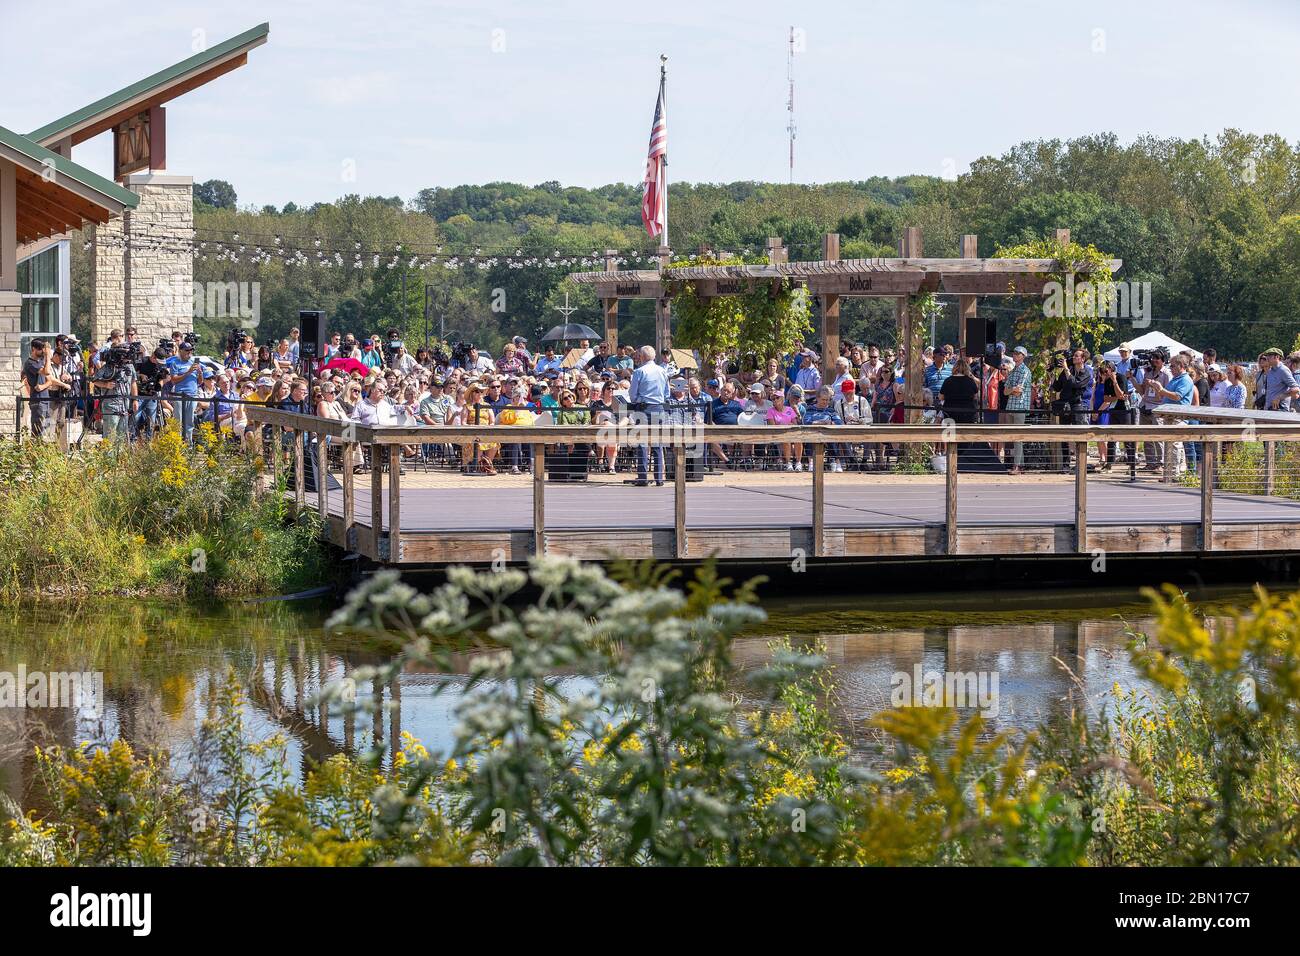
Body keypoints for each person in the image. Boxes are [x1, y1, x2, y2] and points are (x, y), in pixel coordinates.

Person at [628, 344, 668, 486]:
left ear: (642, 357)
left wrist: (638, 399)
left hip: (643, 409)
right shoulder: (662, 371)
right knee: (657, 444)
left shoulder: (639, 372)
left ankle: (643, 477)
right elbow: (667, 393)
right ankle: (659, 478)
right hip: (659, 408)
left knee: (643, 444)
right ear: (654, 356)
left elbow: (632, 395)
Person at [165, 340, 205, 442]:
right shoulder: (175, 363)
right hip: (180, 395)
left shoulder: (194, 362)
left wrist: (200, 373)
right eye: (187, 350)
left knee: (189, 420)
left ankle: (188, 443)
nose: (189, 352)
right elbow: (174, 380)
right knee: (178, 420)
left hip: (192, 394)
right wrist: (188, 372)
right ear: (181, 351)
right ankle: (177, 442)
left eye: (191, 350)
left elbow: (200, 382)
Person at [765, 388, 801, 470]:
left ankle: (798, 463)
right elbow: (772, 427)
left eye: (777, 398)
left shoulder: (789, 409)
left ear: (783, 399)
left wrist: (787, 425)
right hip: (778, 435)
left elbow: (795, 424)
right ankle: (788, 463)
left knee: (799, 439)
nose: (775, 400)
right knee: (786, 439)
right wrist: (785, 425)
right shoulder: (770, 411)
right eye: (773, 399)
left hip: (791, 433)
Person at [939, 359, 979, 424]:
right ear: (967, 368)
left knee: (951, 434)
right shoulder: (971, 381)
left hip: (950, 413)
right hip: (967, 414)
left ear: (955, 368)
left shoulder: (948, 381)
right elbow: (975, 397)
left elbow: (941, 397)